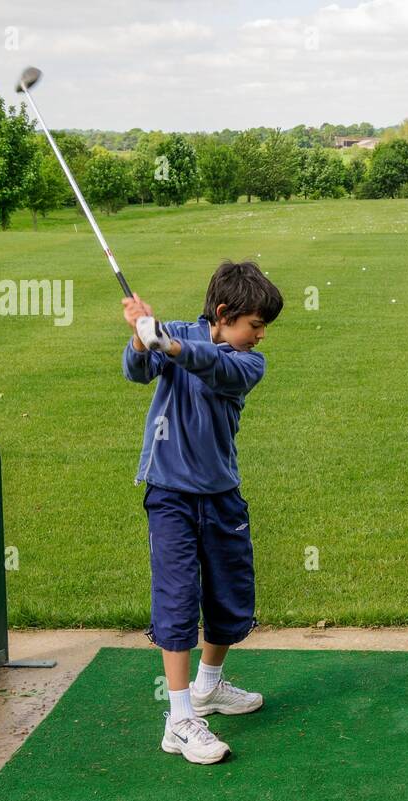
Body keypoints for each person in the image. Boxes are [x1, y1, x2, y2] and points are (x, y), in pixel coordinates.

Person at [121, 260, 284, 764]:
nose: (259, 336)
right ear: (223, 313)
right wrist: (139, 337)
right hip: (169, 492)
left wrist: (165, 343)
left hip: (221, 493)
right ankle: (180, 718)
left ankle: (209, 687)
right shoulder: (173, 333)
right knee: (176, 597)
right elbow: (136, 371)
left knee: (230, 593)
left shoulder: (247, 364)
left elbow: (209, 366)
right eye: (254, 326)